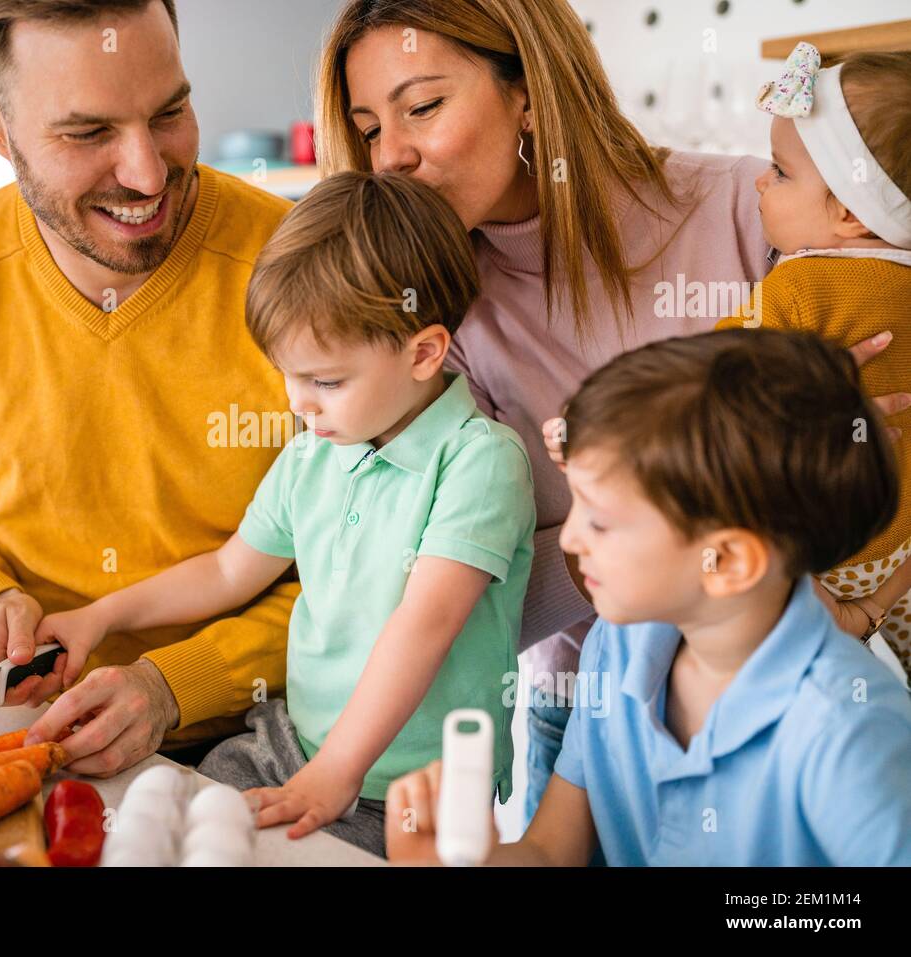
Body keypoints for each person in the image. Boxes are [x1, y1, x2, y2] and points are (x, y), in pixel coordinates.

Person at [316, 0, 910, 826]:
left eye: (422, 106)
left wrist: (869, 607)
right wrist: (676, 511)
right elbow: (473, 604)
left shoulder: (753, 208)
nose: (393, 156)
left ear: (527, 88)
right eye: (368, 127)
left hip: (796, 676)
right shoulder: (433, 321)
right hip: (594, 703)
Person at [33, 171, 535, 857]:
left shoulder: (479, 462)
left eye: (326, 381)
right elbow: (225, 570)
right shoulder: (314, 456)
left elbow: (425, 626)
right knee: (179, 824)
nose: (299, 402)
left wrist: (339, 771)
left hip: (414, 790)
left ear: (424, 353)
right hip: (291, 739)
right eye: (288, 375)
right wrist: (102, 614)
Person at [0, 0, 300, 776]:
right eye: (88, 132)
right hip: (38, 732)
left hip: (278, 732)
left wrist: (175, 683)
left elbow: (366, 559)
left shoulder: (300, 270)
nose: (148, 172)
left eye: (171, 112)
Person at [387, 329, 911, 866]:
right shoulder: (618, 645)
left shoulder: (849, 730)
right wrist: (462, 860)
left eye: (601, 520)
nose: (568, 539)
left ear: (727, 562)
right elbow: (549, 851)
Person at [717, 43, 911, 676]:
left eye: (781, 171)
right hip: (899, 544)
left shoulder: (802, 286)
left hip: (822, 548)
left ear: (849, 213)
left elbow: (718, 373)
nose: (761, 182)